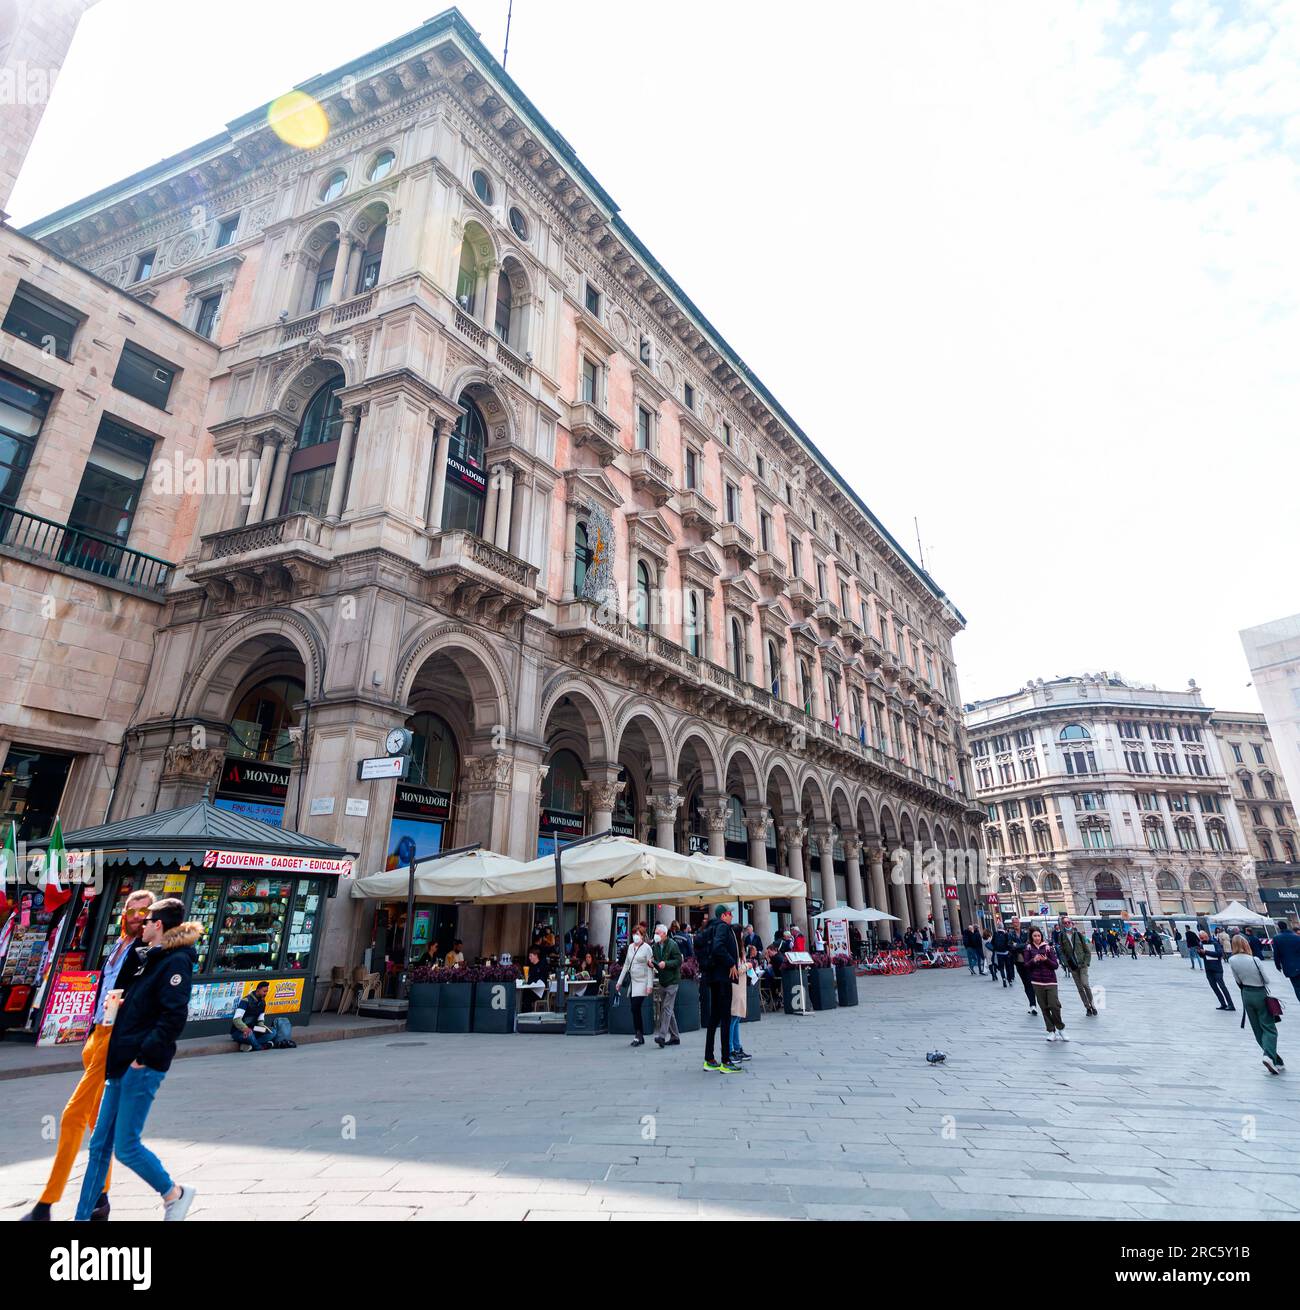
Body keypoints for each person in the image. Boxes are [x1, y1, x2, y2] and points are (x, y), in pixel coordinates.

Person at [20, 889, 155, 1223]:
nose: (136, 916)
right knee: (98, 1122)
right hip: (96, 1034)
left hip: (112, 1038)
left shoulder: (145, 950)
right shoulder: (118, 945)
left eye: (143, 912)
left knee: (72, 1116)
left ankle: (46, 1204)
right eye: (131, 910)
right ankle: (101, 1199)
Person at [73, 898, 200, 1222]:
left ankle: (175, 1194)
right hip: (119, 1062)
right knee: (99, 1146)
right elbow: (147, 1007)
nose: (140, 926)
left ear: (158, 925)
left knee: (126, 1146)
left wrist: (142, 1058)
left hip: (140, 1067)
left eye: (146, 921)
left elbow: (174, 1016)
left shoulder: (176, 961)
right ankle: (83, 1217)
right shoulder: (149, 958)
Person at [1229, 933, 1284, 1075]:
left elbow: (1238, 980)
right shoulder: (1254, 960)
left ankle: (1276, 1060)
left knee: (1257, 1030)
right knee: (1269, 1028)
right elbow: (1266, 980)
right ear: (1246, 944)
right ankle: (1268, 1056)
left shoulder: (1232, 960)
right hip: (1259, 993)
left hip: (1246, 995)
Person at [696, 905, 741, 1073]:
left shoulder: (711, 927)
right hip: (722, 978)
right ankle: (726, 1060)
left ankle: (709, 1058)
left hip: (713, 977)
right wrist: (731, 962)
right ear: (723, 915)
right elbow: (718, 947)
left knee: (714, 1018)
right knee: (725, 1018)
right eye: (729, 914)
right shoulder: (722, 927)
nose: (731, 917)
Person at [1023, 927, 1067, 1042]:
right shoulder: (1028, 948)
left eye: (1038, 936)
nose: (1037, 938)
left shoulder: (1048, 947)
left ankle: (1060, 1028)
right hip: (1037, 982)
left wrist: (1045, 959)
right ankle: (1051, 1031)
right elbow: (1026, 966)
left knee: (1054, 1005)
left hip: (1050, 981)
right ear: (1031, 937)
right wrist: (1034, 960)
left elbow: (1055, 965)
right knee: (1044, 1007)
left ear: (1041, 936)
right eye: (1034, 936)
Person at [616, 922, 654, 1047]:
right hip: (633, 982)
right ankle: (639, 1034)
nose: (635, 936)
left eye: (637, 934)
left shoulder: (647, 948)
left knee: (635, 1007)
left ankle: (638, 1034)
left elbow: (650, 968)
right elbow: (626, 965)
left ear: (642, 936)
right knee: (634, 1009)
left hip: (642, 981)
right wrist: (619, 982)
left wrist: (650, 985)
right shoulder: (631, 947)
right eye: (634, 934)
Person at [1055, 915, 1097, 1017]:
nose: (1067, 924)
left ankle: (1093, 1005)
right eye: (1065, 923)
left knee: (1085, 984)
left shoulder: (1078, 934)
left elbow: (1087, 950)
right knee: (1079, 988)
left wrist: (1087, 962)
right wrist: (1066, 964)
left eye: (1068, 922)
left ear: (1071, 923)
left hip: (1082, 964)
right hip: (1072, 966)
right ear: (1062, 925)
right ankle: (1087, 1007)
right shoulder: (1061, 936)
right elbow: (1061, 952)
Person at [651, 923, 682, 1048]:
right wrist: (652, 963)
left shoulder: (673, 945)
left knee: (667, 1009)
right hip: (663, 981)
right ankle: (675, 1037)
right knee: (668, 1010)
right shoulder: (656, 946)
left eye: (658, 933)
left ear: (664, 934)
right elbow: (657, 962)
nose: (656, 935)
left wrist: (666, 964)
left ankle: (662, 1036)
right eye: (656, 933)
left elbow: (678, 961)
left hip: (672, 981)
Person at [729, 932, 753, 1062]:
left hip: (740, 987)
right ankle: (731, 1049)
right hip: (736, 987)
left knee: (737, 1018)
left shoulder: (740, 950)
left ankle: (737, 1048)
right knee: (733, 1018)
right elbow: (735, 970)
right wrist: (747, 966)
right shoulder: (734, 949)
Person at [230, 980, 273, 1051]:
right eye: (264, 991)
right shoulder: (245, 1000)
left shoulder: (263, 1003)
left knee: (272, 1032)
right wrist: (245, 1028)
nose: (266, 993)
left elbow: (260, 1020)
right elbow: (236, 1019)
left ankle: (250, 1045)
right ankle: (259, 1047)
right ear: (258, 990)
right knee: (250, 1035)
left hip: (254, 1029)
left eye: (267, 991)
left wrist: (263, 1028)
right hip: (239, 1031)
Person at [1007, 916, 1037, 1016]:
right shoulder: (1010, 934)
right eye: (1014, 922)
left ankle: (1033, 1004)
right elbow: (1010, 946)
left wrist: (1017, 945)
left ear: (1019, 922)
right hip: (1019, 962)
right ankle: (1032, 1004)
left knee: (1031, 982)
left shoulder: (1026, 933)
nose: (1016, 924)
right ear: (1012, 924)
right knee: (1026, 983)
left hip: (1029, 961)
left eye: (1017, 922)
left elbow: (1029, 944)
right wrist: (1021, 945)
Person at [1199, 930, 1234, 1011]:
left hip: (1217, 969)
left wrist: (1206, 952)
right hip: (1208, 968)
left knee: (1222, 986)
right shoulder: (1202, 944)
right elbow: (1202, 956)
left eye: (1202, 938)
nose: (1201, 940)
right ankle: (1223, 1003)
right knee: (1214, 987)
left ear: (1206, 936)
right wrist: (1200, 952)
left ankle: (1231, 1004)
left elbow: (1219, 954)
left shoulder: (1214, 943)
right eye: (1200, 938)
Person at [1271, 919, 1300, 1003]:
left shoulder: (1277, 938)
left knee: (1297, 987)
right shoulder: (1296, 937)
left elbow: (1276, 953)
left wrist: (1278, 965)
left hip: (1289, 967)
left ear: (1279, 927)